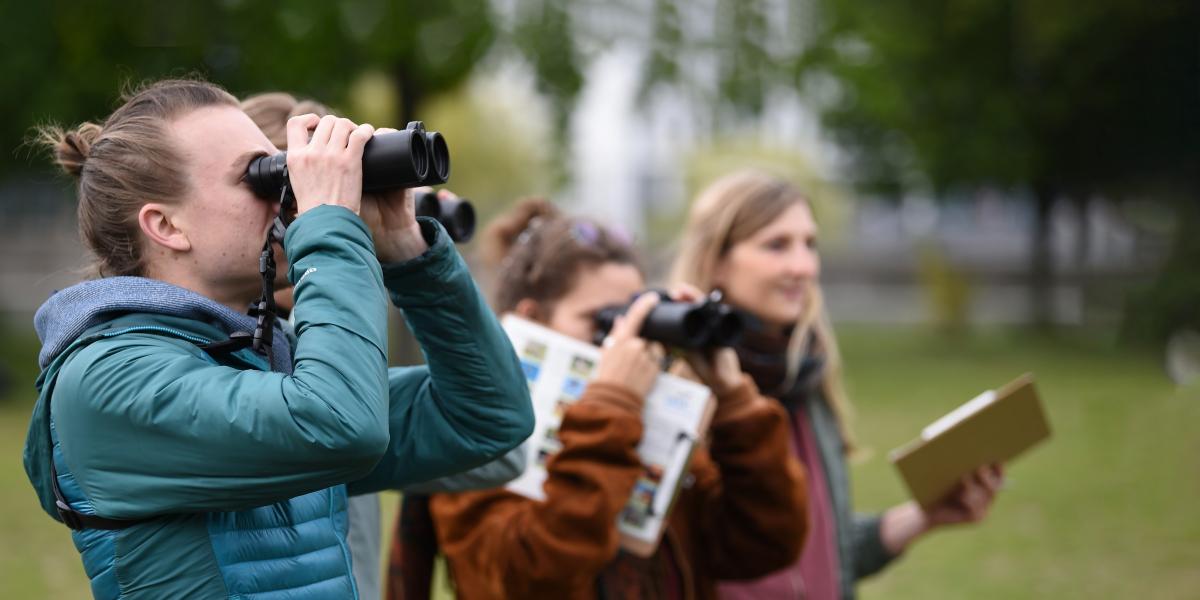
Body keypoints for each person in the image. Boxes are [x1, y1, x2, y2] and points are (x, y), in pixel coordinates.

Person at [23, 78, 533, 599]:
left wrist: (408, 250)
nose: (289, 196)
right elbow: (339, 424)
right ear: (167, 226)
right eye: (262, 177)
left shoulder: (264, 358)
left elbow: (486, 417)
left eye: (284, 168)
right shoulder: (107, 379)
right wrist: (330, 225)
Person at [390, 199, 809, 599]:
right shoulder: (479, 443)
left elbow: (764, 544)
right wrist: (609, 411)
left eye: (636, 319)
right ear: (533, 318)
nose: (623, 340)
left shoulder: (644, 421)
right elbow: (526, 581)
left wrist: (734, 400)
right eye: (603, 321)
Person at [240, 90, 530, 600]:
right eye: (306, 184)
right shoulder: (208, 365)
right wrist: (328, 253)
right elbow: (328, 415)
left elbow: (497, 440)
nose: (333, 199)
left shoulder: (312, 348)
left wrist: (404, 247)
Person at [671, 170, 1005, 599]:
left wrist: (924, 516)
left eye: (810, 244)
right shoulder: (679, 395)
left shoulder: (806, 377)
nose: (803, 266)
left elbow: (819, 552)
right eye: (777, 245)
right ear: (715, 260)